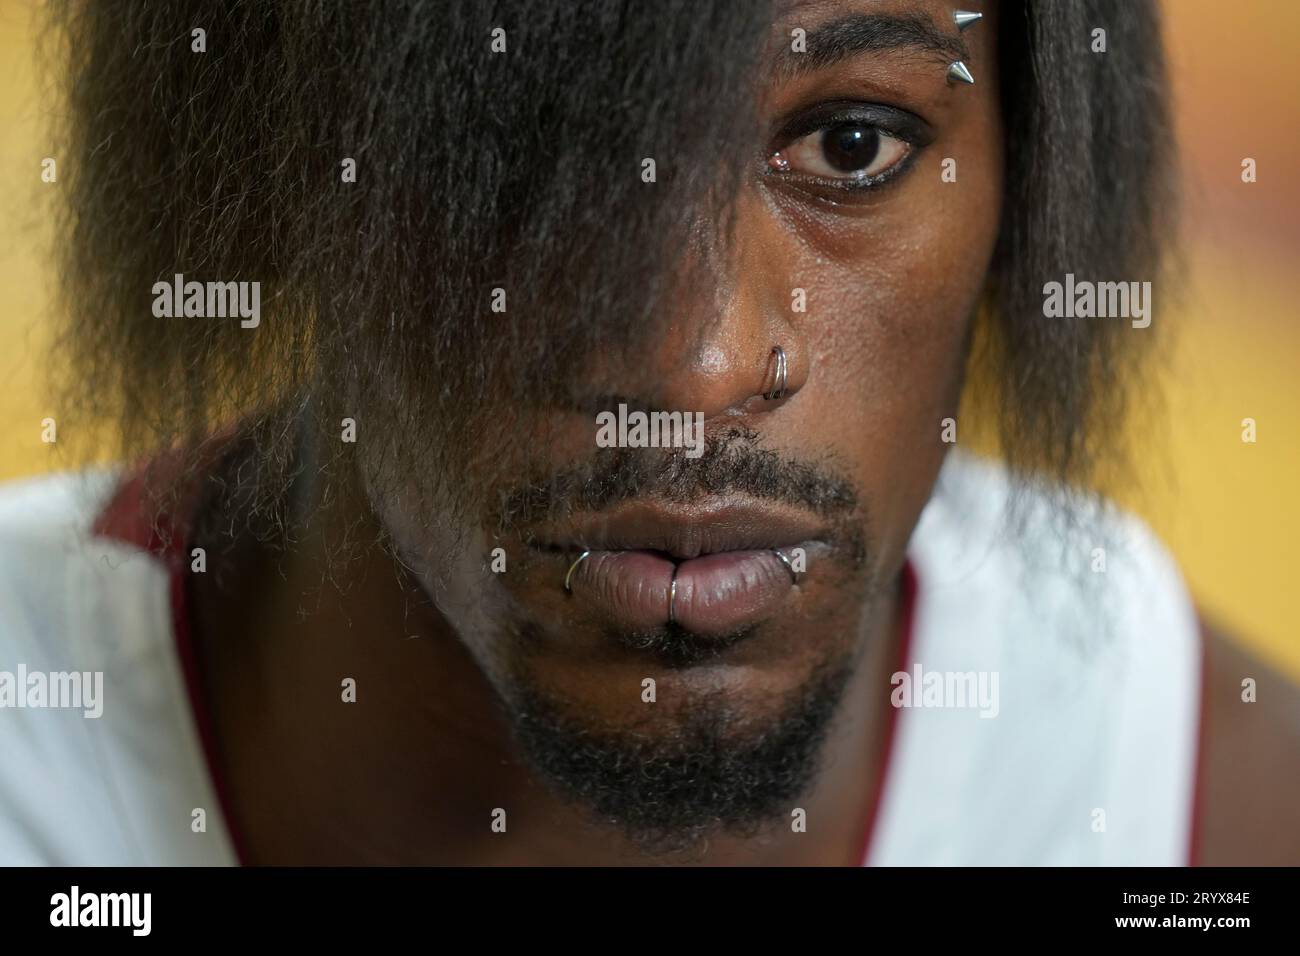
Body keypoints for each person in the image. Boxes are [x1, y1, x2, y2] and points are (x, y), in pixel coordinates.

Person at [1, 0, 1295, 866]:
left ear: (1037, 162)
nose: (701, 364)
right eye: (522, 155)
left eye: (853, 146)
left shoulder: (1188, 804)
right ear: (269, 152)